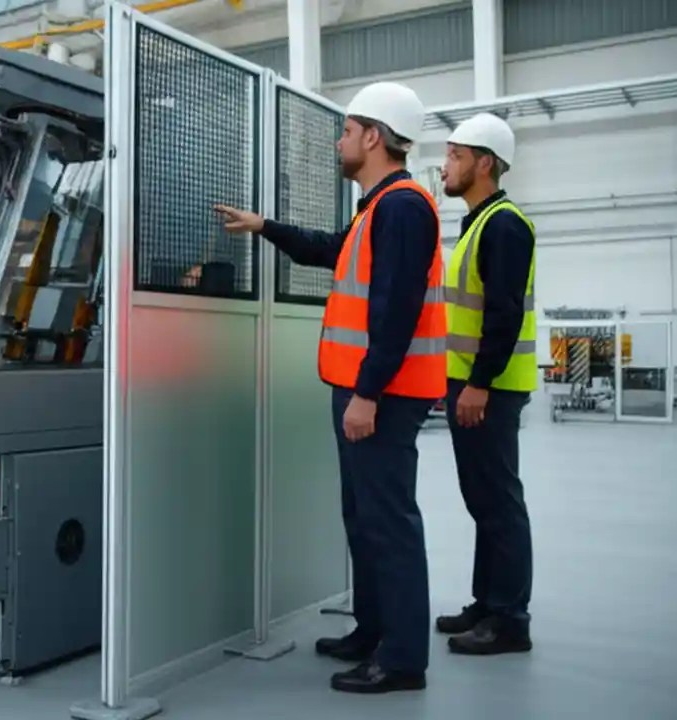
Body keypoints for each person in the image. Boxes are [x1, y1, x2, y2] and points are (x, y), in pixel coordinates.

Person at [214, 81, 445, 694]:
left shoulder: (403, 207)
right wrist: (264, 225)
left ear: (372, 136)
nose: (338, 141)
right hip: (366, 389)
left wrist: (368, 393)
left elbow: (396, 311)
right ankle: (373, 630)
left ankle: (401, 660)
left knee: (389, 520)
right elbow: (328, 250)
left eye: (346, 130)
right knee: (364, 516)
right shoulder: (377, 208)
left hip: (383, 395)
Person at [434, 112, 537, 656]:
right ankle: (488, 602)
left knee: (498, 500)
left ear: (485, 163)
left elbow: (503, 314)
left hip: (490, 387)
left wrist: (478, 383)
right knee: (482, 499)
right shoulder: (478, 222)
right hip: (471, 383)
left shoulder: (504, 224)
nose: (445, 165)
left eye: (455, 155)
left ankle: (510, 618)